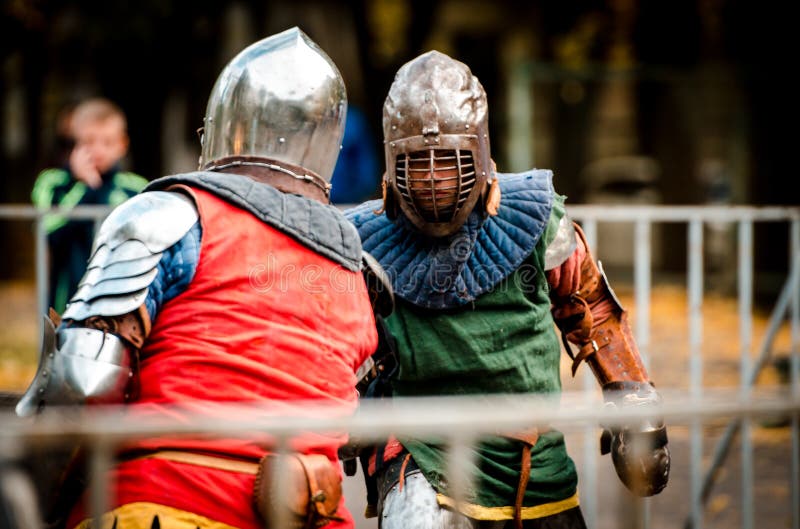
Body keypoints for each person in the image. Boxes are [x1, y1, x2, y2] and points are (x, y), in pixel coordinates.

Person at [17, 27, 381, 529]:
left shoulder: (167, 215)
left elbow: (82, 381)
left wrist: (36, 501)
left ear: (224, 123)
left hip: (163, 505)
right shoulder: (352, 262)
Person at [345, 51, 670, 529]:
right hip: (420, 450)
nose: (434, 179)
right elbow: (333, 338)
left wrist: (633, 401)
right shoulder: (364, 242)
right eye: (419, 164)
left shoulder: (538, 222)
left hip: (531, 456)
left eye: (448, 162)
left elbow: (593, 309)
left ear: (477, 151)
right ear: (395, 163)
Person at [31, 98, 147, 313]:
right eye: (89, 141)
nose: (98, 150)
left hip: (118, 299)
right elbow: (50, 233)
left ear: (123, 145)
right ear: (75, 143)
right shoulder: (53, 182)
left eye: (107, 142)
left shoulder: (137, 188)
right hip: (65, 300)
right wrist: (89, 187)